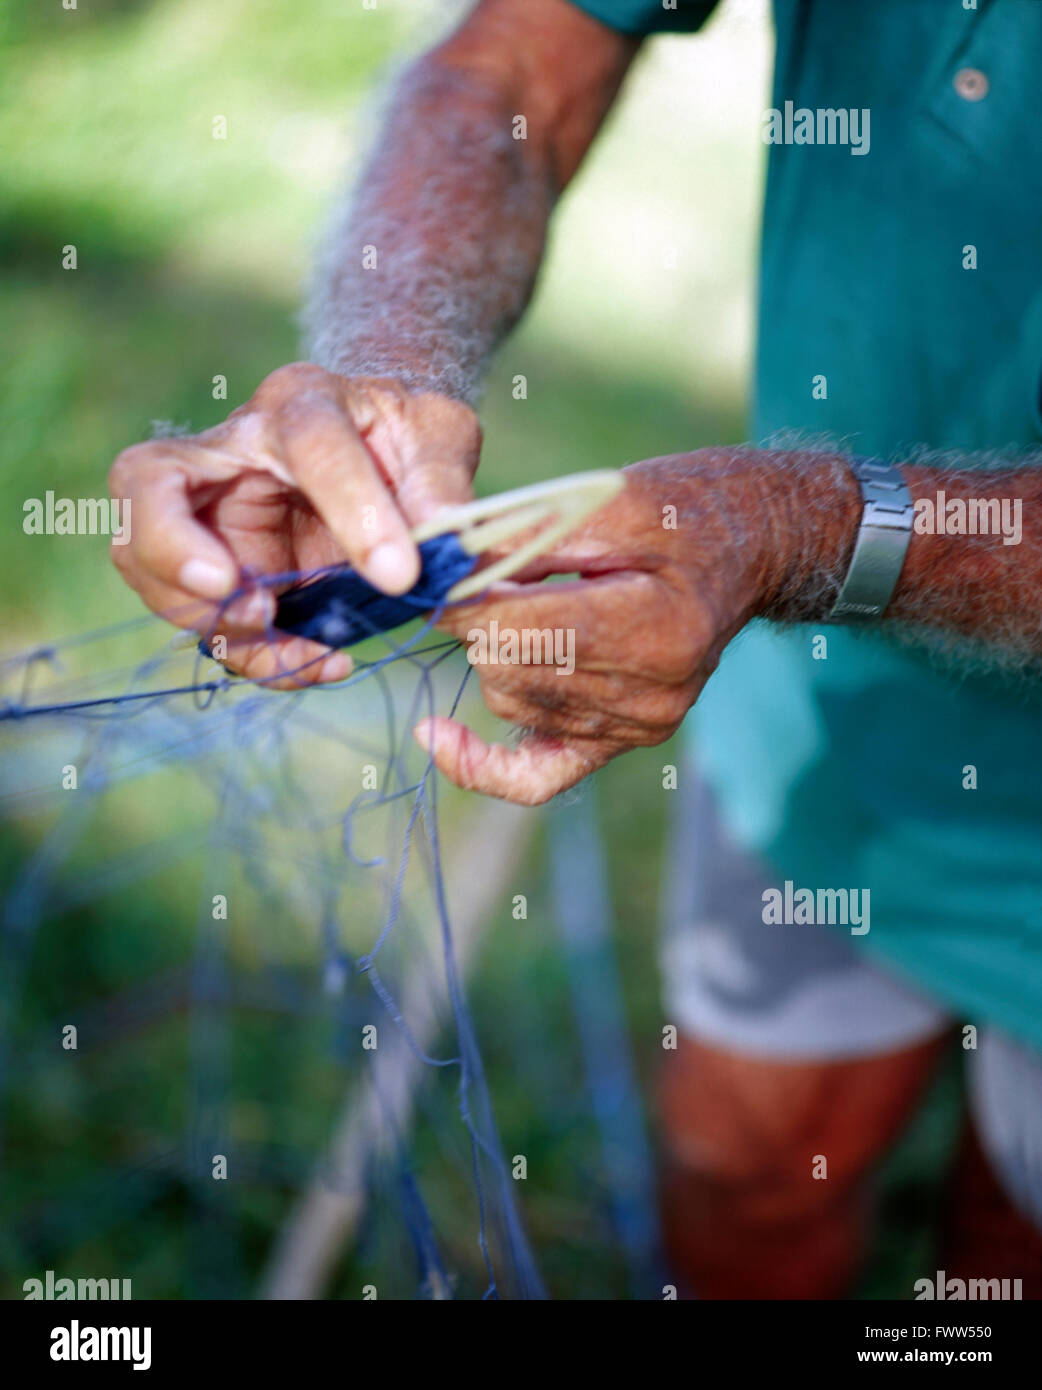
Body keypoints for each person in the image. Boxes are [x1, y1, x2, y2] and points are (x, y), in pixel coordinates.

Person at [108, 0, 1042, 1297]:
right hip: (823, 718)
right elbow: (513, 62)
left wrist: (803, 530)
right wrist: (381, 375)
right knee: (742, 1171)